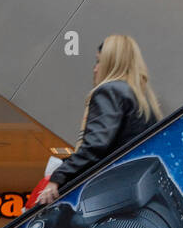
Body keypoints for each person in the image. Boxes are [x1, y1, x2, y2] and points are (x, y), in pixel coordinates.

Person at [32, 35, 162, 206]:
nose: (95, 69)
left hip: (109, 189)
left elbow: (96, 145)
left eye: (99, 61)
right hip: (136, 186)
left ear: (111, 63)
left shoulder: (110, 91)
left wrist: (58, 178)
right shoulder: (144, 100)